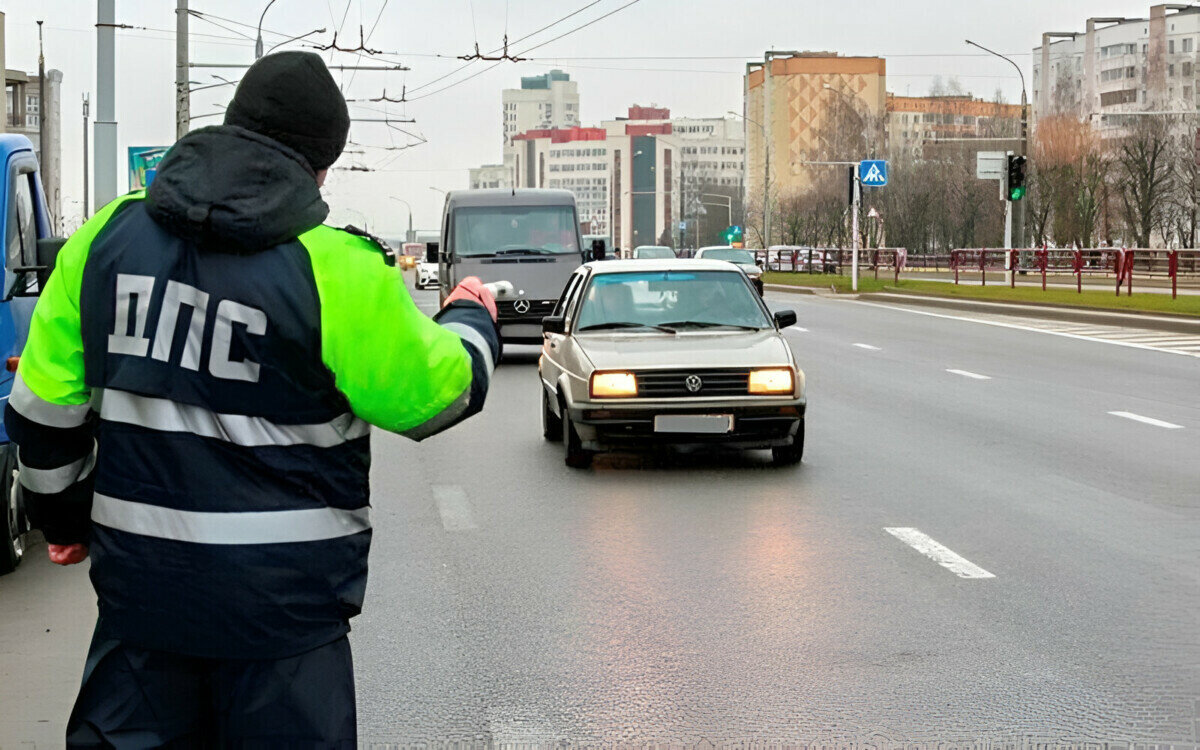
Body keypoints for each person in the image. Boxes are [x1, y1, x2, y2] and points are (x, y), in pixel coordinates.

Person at [4, 51, 499, 747]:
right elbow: (437, 393)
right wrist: (472, 317)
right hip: (286, 633)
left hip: (142, 616)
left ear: (230, 124)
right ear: (320, 166)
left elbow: (41, 411)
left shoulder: (106, 240)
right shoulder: (337, 271)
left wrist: (64, 521)